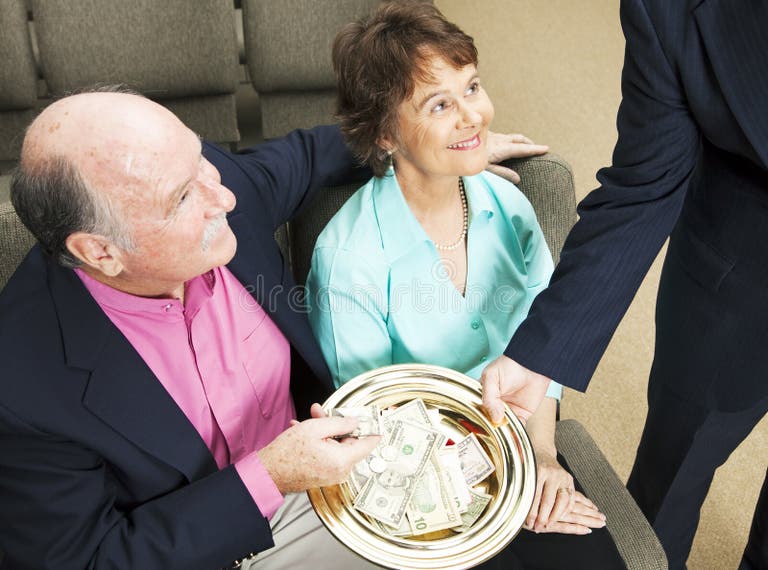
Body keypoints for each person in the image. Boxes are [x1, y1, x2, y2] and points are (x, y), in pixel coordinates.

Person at [0, 87, 542, 568]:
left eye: (200, 160)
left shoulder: (216, 180)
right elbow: (90, 558)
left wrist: (435, 146)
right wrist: (268, 476)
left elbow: (314, 152)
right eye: (183, 198)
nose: (224, 197)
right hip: (199, 543)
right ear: (100, 251)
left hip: (326, 478)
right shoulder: (20, 385)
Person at [306, 3, 624, 569]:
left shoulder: (512, 207)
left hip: (523, 446)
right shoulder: (347, 261)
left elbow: (539, 353)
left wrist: (545, 459)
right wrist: (495, 497)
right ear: (385, 134)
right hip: (425, 490)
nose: (473, 116)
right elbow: (375, 427)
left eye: (472, 87)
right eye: (440, 104)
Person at [479, 1, 768, 568]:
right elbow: (642, 187)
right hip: (735, 262)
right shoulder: (667, 10)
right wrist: (541, 353)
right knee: (675, 467)